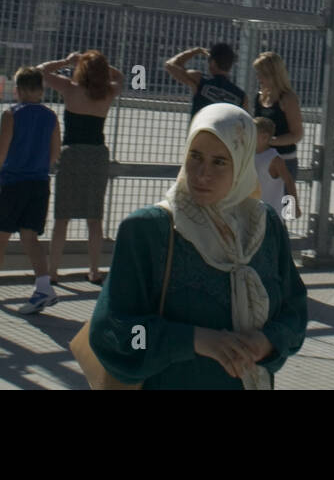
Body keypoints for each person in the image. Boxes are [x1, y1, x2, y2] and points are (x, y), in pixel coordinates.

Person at [86, 103, 307, 389]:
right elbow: (114, 329)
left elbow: (295, 312)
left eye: (219, 161)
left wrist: (267, 342)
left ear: (241, 163)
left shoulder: (265, 227)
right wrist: (193, 341)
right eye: (196, 156)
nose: (203, 173)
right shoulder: (149, 231)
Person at [0, 66, 61, 314]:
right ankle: (44, 286)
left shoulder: (11, 114)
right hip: (39, 182)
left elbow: (2, 149)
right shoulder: (51, 116)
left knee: (1, 235)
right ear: (41, 90)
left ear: (19, 89)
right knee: (31, 236)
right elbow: (55, 152)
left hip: (13, 182)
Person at [35, 50, 123, 285]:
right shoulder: (109, 92)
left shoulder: (70, 89)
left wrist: (68, 60)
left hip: (72, 154)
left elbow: (41, 71)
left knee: (62, 217)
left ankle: (53, 271)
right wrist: (102, 66)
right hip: (97, 155)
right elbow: (121, 76)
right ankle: (94, 270)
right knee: (94, 219)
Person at [252, 51, 304, 181]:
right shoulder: (259, 97)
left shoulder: (287, 99)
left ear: (272, 75)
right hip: (261, 159)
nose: (258, 78)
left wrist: (271, 141)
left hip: (284, 161)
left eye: (261, 74)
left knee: (286, 201)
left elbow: (297, 134)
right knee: (259, 201)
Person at [165, 42, 250, 116]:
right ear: (230, 65)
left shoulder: (199, 80)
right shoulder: (241, 96)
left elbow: (170, 64)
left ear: (212, 62)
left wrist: (195, 51)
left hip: (199, 132)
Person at [253, 116, 299, 218]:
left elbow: (289, 181)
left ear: (264, 137)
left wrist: (294, 206)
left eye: (252, 133)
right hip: (251, 211)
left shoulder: (274, 158)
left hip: (270, 214)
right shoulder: (249, 154)